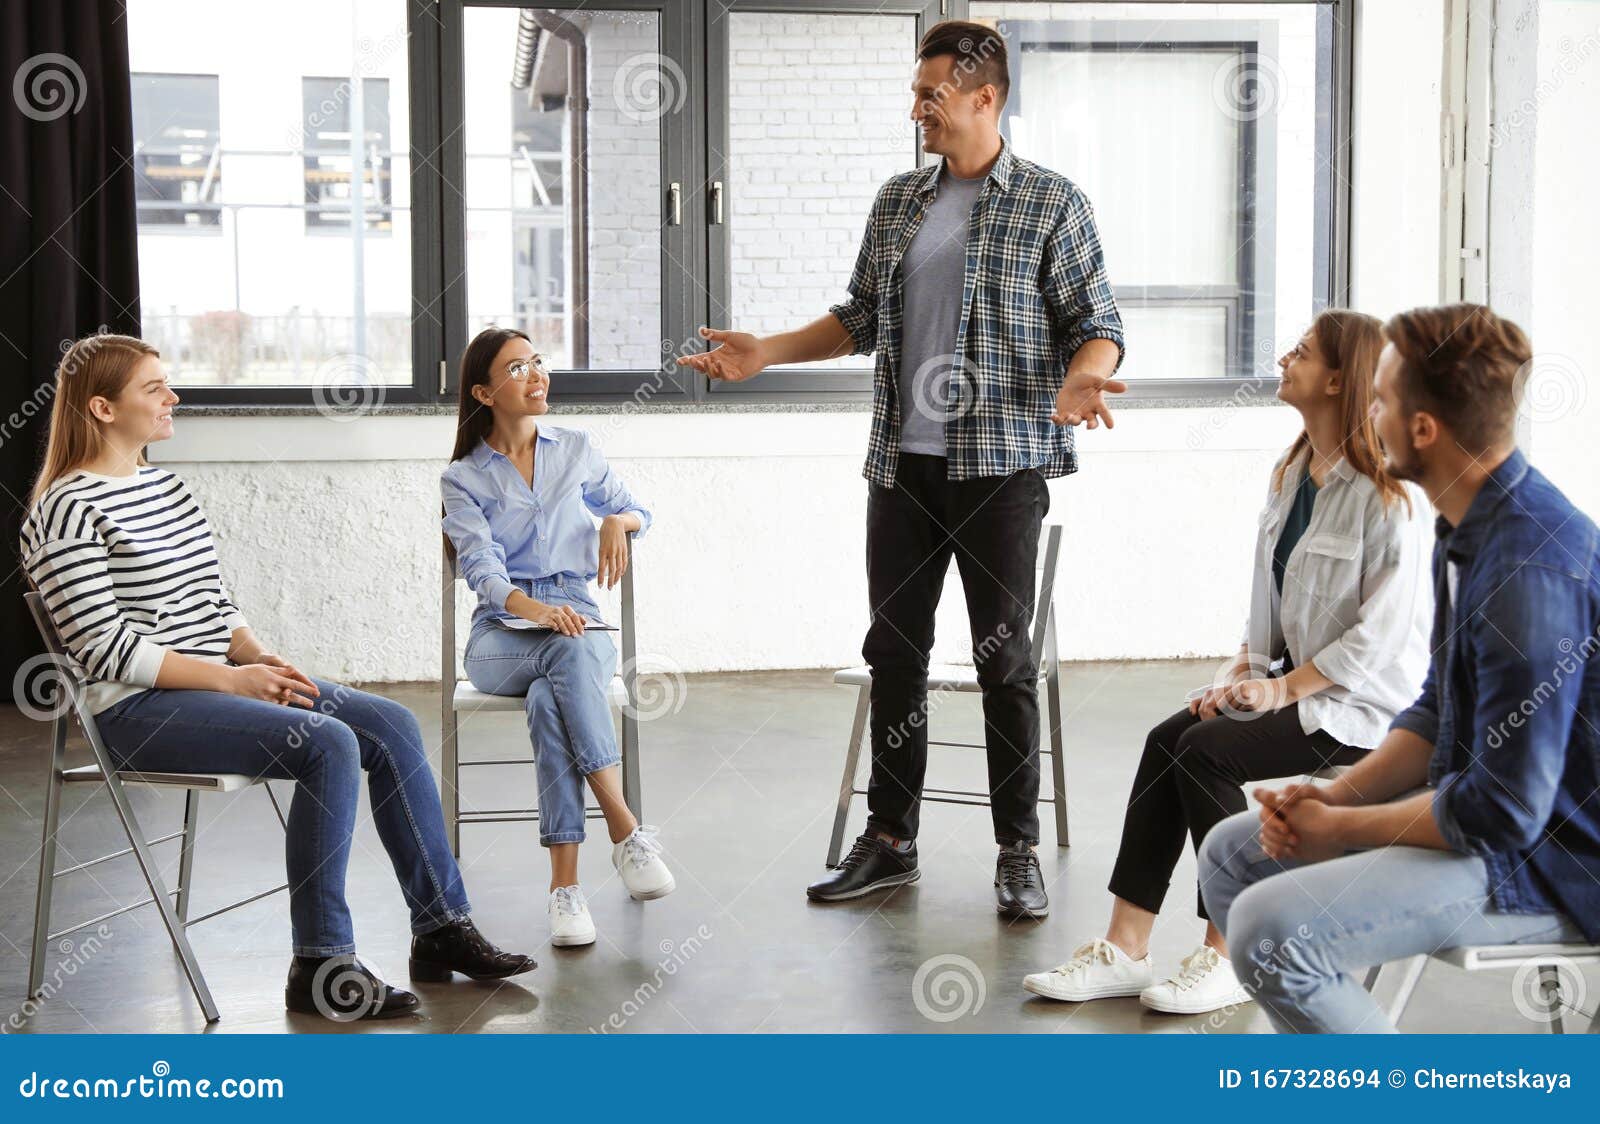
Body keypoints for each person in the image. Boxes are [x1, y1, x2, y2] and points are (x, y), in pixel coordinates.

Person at [677, 20, 1125, 919]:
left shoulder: (1051, 202)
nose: (916, 109)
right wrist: (764, 352)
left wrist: (1085, 378)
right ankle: (890, 842)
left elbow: (1097, 322)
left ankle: (1017, 850)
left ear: (984, 97)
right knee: (895, 654)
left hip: (1000, 470)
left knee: (1004, 661)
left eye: (932, 95)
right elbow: (858, 319)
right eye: (916, 94)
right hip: (903, 469)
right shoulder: (899, 202)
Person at [19, 334, 535, 1022]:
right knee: (327, 744)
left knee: (390, 723)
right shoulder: (65, 509)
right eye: (154, 389)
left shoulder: (163, 486)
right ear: (102, 408)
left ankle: (440, 925)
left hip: (211, 683)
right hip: (137, 714)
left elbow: (211, 596)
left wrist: (256, 656)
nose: (173, 398)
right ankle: (321, 964)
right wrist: (230, 683)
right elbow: (103, 650)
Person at [1199, 302, 1600, 1033]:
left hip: (1557, 862)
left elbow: (1504, 812)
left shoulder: (1529, 569)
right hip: (1495, 829)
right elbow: (1435, 713)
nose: (1369, 413)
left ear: (1423, 430)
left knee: (1270, 929)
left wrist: (1344, 829)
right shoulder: (1464, 527)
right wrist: (1335, 797)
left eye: (1380, 400)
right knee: (1235, 852)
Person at [1022, 310, 1432, 1014]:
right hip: (1290, 688)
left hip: (1358, 706)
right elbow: (1263, 618)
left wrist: (1279, 695)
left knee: (1204, 754)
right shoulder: (1292, 475)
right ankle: (1127, 946)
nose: (1283, 359)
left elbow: (1380, 642)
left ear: (1338, 379)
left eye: (1300, 352)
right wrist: (1237, 680)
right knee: (1169, 737)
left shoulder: (1390, 498)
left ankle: (1232, 951)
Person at [441, 326, 673, 950]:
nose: (538, 374)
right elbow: (481, 568)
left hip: (578, 616)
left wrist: (618, 523)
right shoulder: (463, 479)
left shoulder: (576, 448)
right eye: (518, 368)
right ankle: (625, 828)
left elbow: (637, 510)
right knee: (560, 655)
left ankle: (564, 890)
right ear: (485, 392)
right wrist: (531, 611)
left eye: (538, 363)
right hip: (500, 635)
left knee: (553, 697)